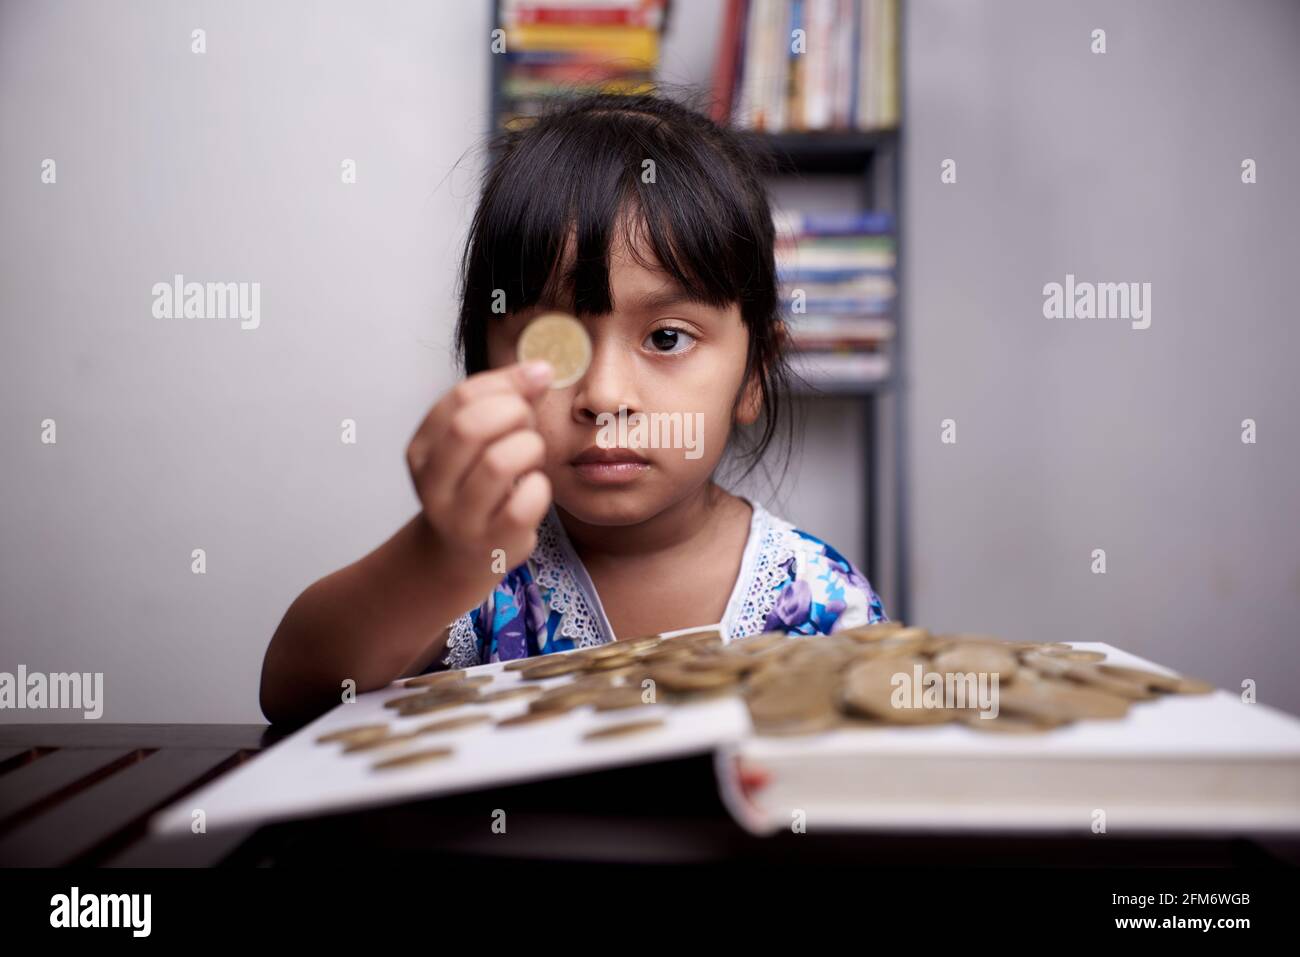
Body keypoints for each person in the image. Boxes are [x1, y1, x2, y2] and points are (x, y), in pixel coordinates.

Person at [260, 93, 886, 726]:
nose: (605, 397)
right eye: (552, 345)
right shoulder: (478, 580)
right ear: (488, 374)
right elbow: (297, 689)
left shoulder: (825, 601)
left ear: (752, 375)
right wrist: (438, 555)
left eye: (667, 338)